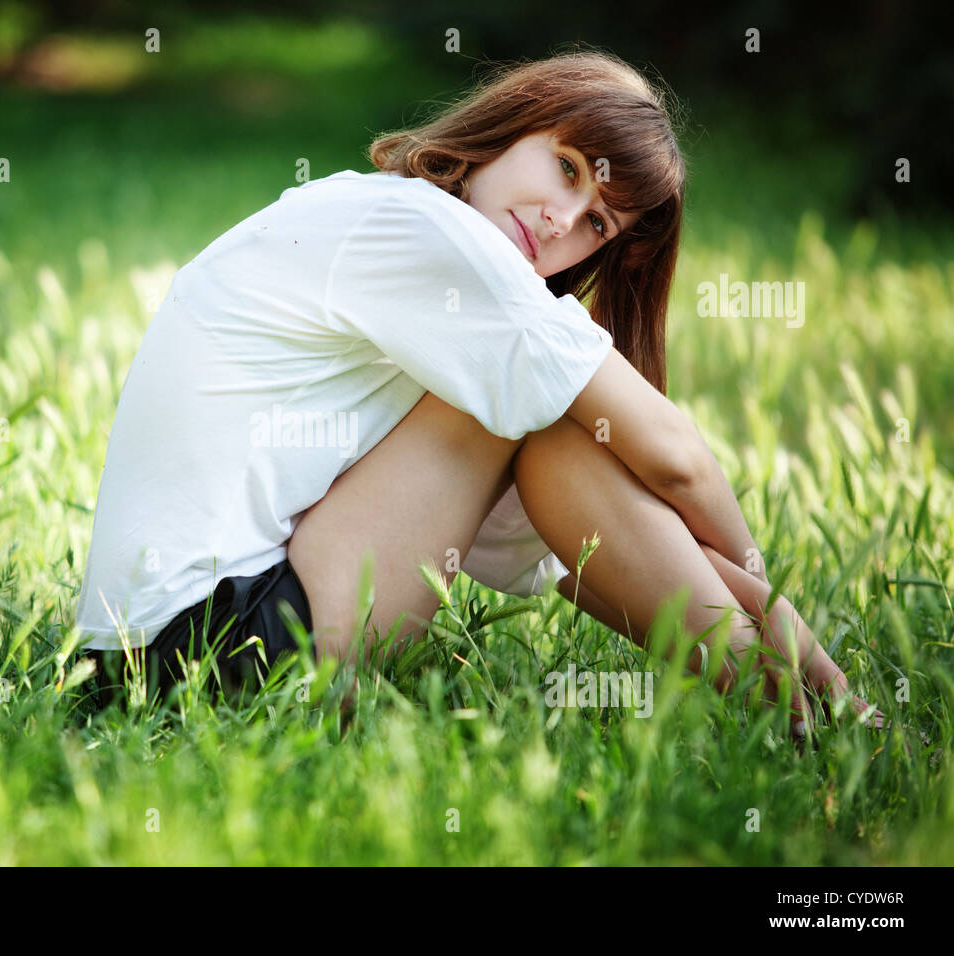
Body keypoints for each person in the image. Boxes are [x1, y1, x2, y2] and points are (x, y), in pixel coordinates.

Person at [75, 50, 885, 734]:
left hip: (148, 665)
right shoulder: (431, 231)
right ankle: (797, 706)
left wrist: (763, 616)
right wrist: (764, 584)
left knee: (560, 414)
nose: (562, 221)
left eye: (599, 224)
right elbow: (675, 460)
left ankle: (805, 702)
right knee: (564, 410)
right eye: (566, 168)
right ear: (512, 124)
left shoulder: (401, 242)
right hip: (214, 654)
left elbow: (593, 542)